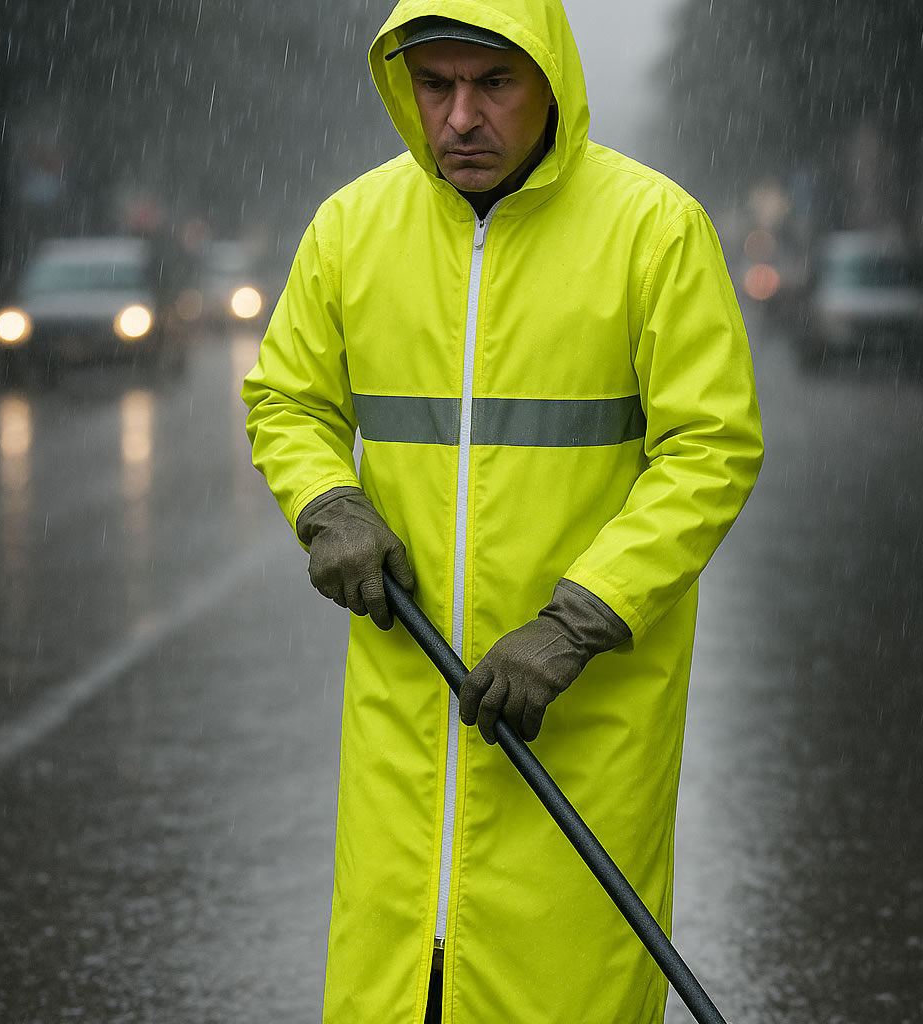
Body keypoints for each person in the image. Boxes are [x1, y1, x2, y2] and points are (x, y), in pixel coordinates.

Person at [242, 1, 764, 1020]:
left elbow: (711, 447)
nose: (459, 118)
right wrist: (328, 500)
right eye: (434, 85)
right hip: (408, 718)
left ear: (550, 82)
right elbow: (287, 398)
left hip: (583, 729)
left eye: (493, 85)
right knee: (396, 989)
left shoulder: (652, 230)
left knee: (563, 987)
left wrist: (579, 620)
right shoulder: (353, 229)